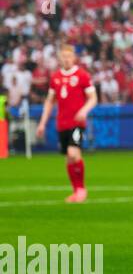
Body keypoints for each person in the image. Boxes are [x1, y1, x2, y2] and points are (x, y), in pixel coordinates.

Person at [34, 44, 97, 203]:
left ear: (74, 57)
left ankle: (81, 189)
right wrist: (42, 123)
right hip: (62, 123)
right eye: (63, 56)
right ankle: (76, 191)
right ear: (60, 58)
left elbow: (93, 98)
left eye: (69, 56)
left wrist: (84, 110)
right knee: (69, 158)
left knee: (72, 152)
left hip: (77, 123)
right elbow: (49, 102)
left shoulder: (82, 75)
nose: (66, 59)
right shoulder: (55, 77)